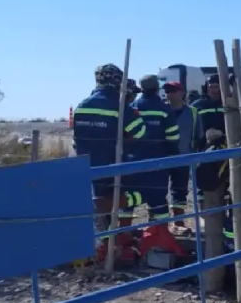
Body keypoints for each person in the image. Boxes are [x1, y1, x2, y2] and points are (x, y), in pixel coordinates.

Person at [72, 64, 148, 255]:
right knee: (137, 193)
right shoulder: (118, 104)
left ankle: (105, 242)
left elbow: (77, 138)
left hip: (86, 166)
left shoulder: (82, 105)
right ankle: (113, 240)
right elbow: (140, 133)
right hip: (111, 164)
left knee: (98, 205)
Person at [126, 75, 181, 225]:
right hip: (158, 162)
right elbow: (173, 136)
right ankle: (159, 234)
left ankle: (123, 236)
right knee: (158, 200)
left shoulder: (132, 108)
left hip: (133, 162)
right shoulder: (164, 108)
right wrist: (173, 156)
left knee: (129, 200)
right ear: (157, 87)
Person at [163, 81, 200, 227]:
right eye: (167, 91)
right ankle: (160, 226)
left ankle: (178, 223)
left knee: (180, 191)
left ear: (182, 93)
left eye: (173, 91)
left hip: (183, 157)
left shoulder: (192, 112)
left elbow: (198, 134)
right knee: (158, 192)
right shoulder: (162, 110)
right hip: (162, 158)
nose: (169, 94)